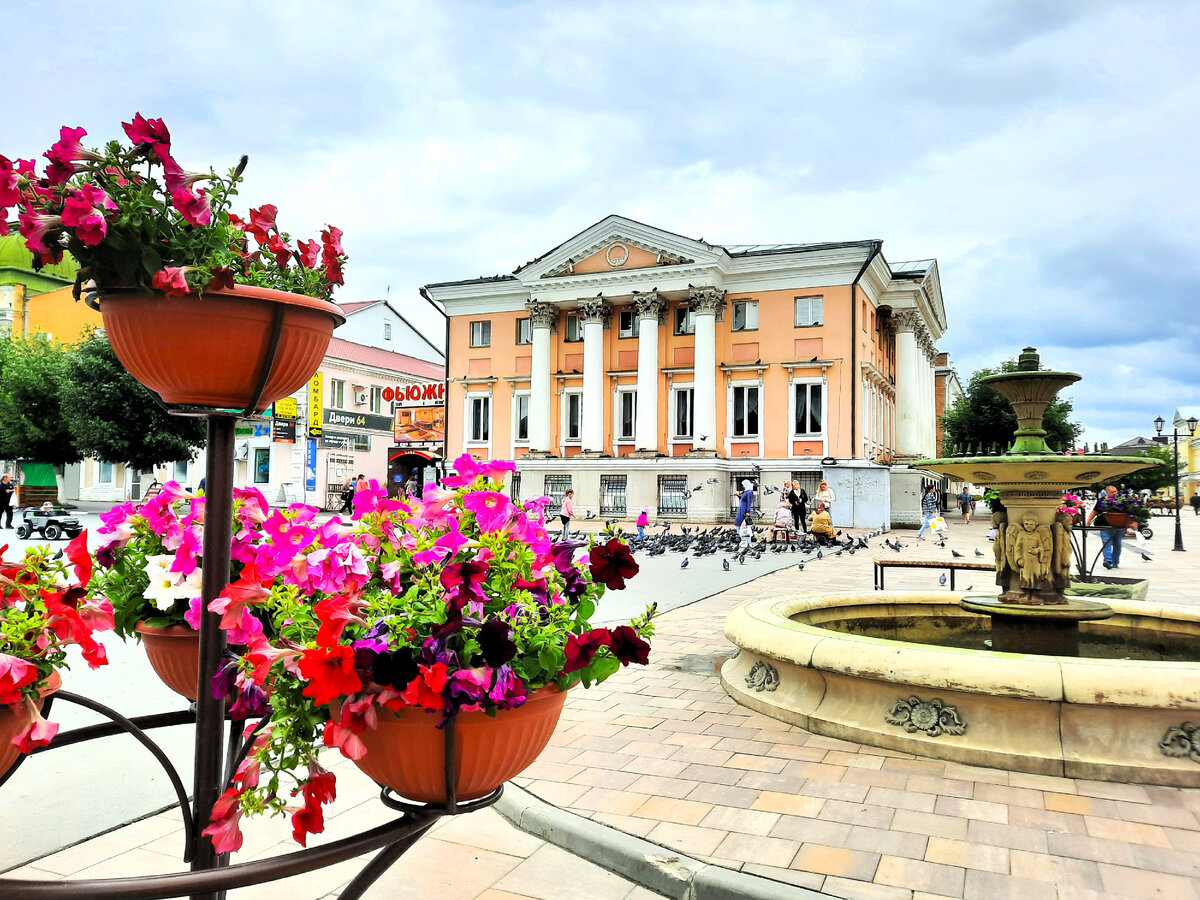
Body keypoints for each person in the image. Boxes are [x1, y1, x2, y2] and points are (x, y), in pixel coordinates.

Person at [1086, 484, 1123, 569]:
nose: (1114, 493)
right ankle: (1108, 561)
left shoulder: (1121, 500)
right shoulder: (1102, 501)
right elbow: (1094, 512)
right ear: (1107, 492)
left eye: (1115, 491)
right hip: (1105, 526)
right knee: (1106, 544)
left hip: (1118, 527)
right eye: (1112, 492)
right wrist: (1088, 522)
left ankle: (1115, 562)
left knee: (1117, 545)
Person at [735, 480, 756, 549]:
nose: (742, 486)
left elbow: (749, 502)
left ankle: (746, 541)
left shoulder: (749, 492)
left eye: (743, 485)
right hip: (742, 509)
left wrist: (748, 511)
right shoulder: (747, 492)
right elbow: (744, 499)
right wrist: (739, 496)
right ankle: (745, 541)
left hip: (744, 510)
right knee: (741, 526)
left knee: (743, 526)